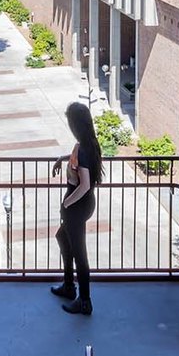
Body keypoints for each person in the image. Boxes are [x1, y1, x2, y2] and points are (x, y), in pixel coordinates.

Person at [50, 101, 102, 315]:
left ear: (76, 125)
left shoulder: (83, 151)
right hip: (84, 204)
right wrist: (63, 159)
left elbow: (85, 184)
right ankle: (69, 286)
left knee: (79, 253)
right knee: (63, 238)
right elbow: (80, 163)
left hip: (77, 205)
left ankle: (84, 300)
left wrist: (66, 203)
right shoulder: (87, 143)